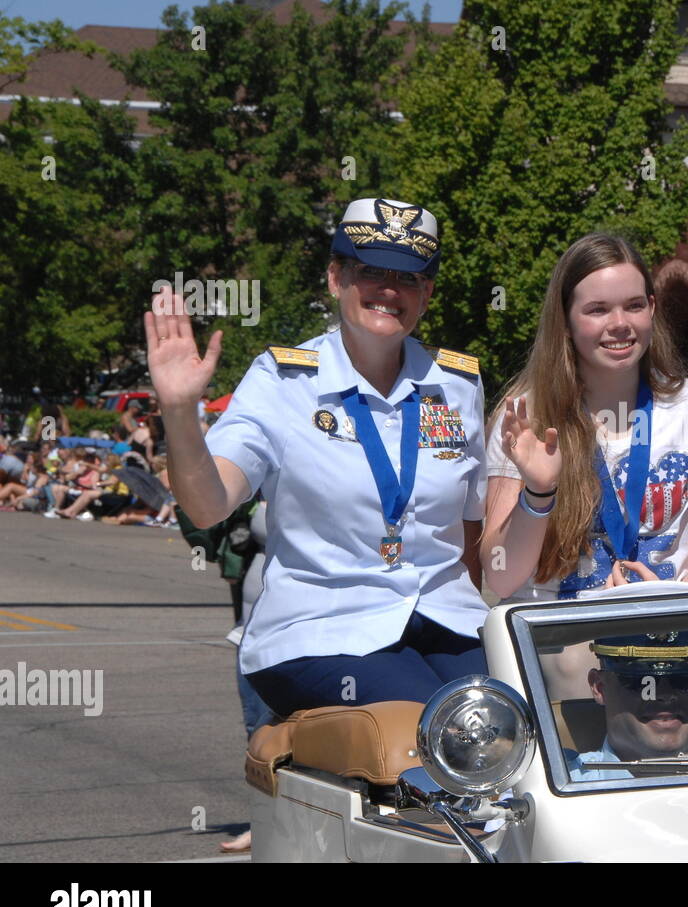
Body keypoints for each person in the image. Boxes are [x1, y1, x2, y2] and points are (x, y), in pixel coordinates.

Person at [148, 197, 489, 717]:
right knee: (452, 729)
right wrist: (177, 411)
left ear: (428, 293)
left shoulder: (458, 386)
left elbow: (469, 530)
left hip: (446, 619)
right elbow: (207, 504)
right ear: (336, 278)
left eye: (410, 277)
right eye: (372, 270)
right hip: (322, 627)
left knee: (527, 724)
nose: (390, 290)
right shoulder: (283, 380)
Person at [480, 234, 688, 745]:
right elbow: (501, 577)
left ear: (652, 309)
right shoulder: (529, 415)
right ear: (567, 321)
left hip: (675, 620)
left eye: (634, 305)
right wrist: (538, 492)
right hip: (568, 626)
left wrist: (670, 604)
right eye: (596, 309)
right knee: (581, 663)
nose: (619, 324)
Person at [566, 630, 688, 781]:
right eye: (642, 682)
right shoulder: (555, 792)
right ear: (600, 687)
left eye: (684, 681)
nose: (664, 695)